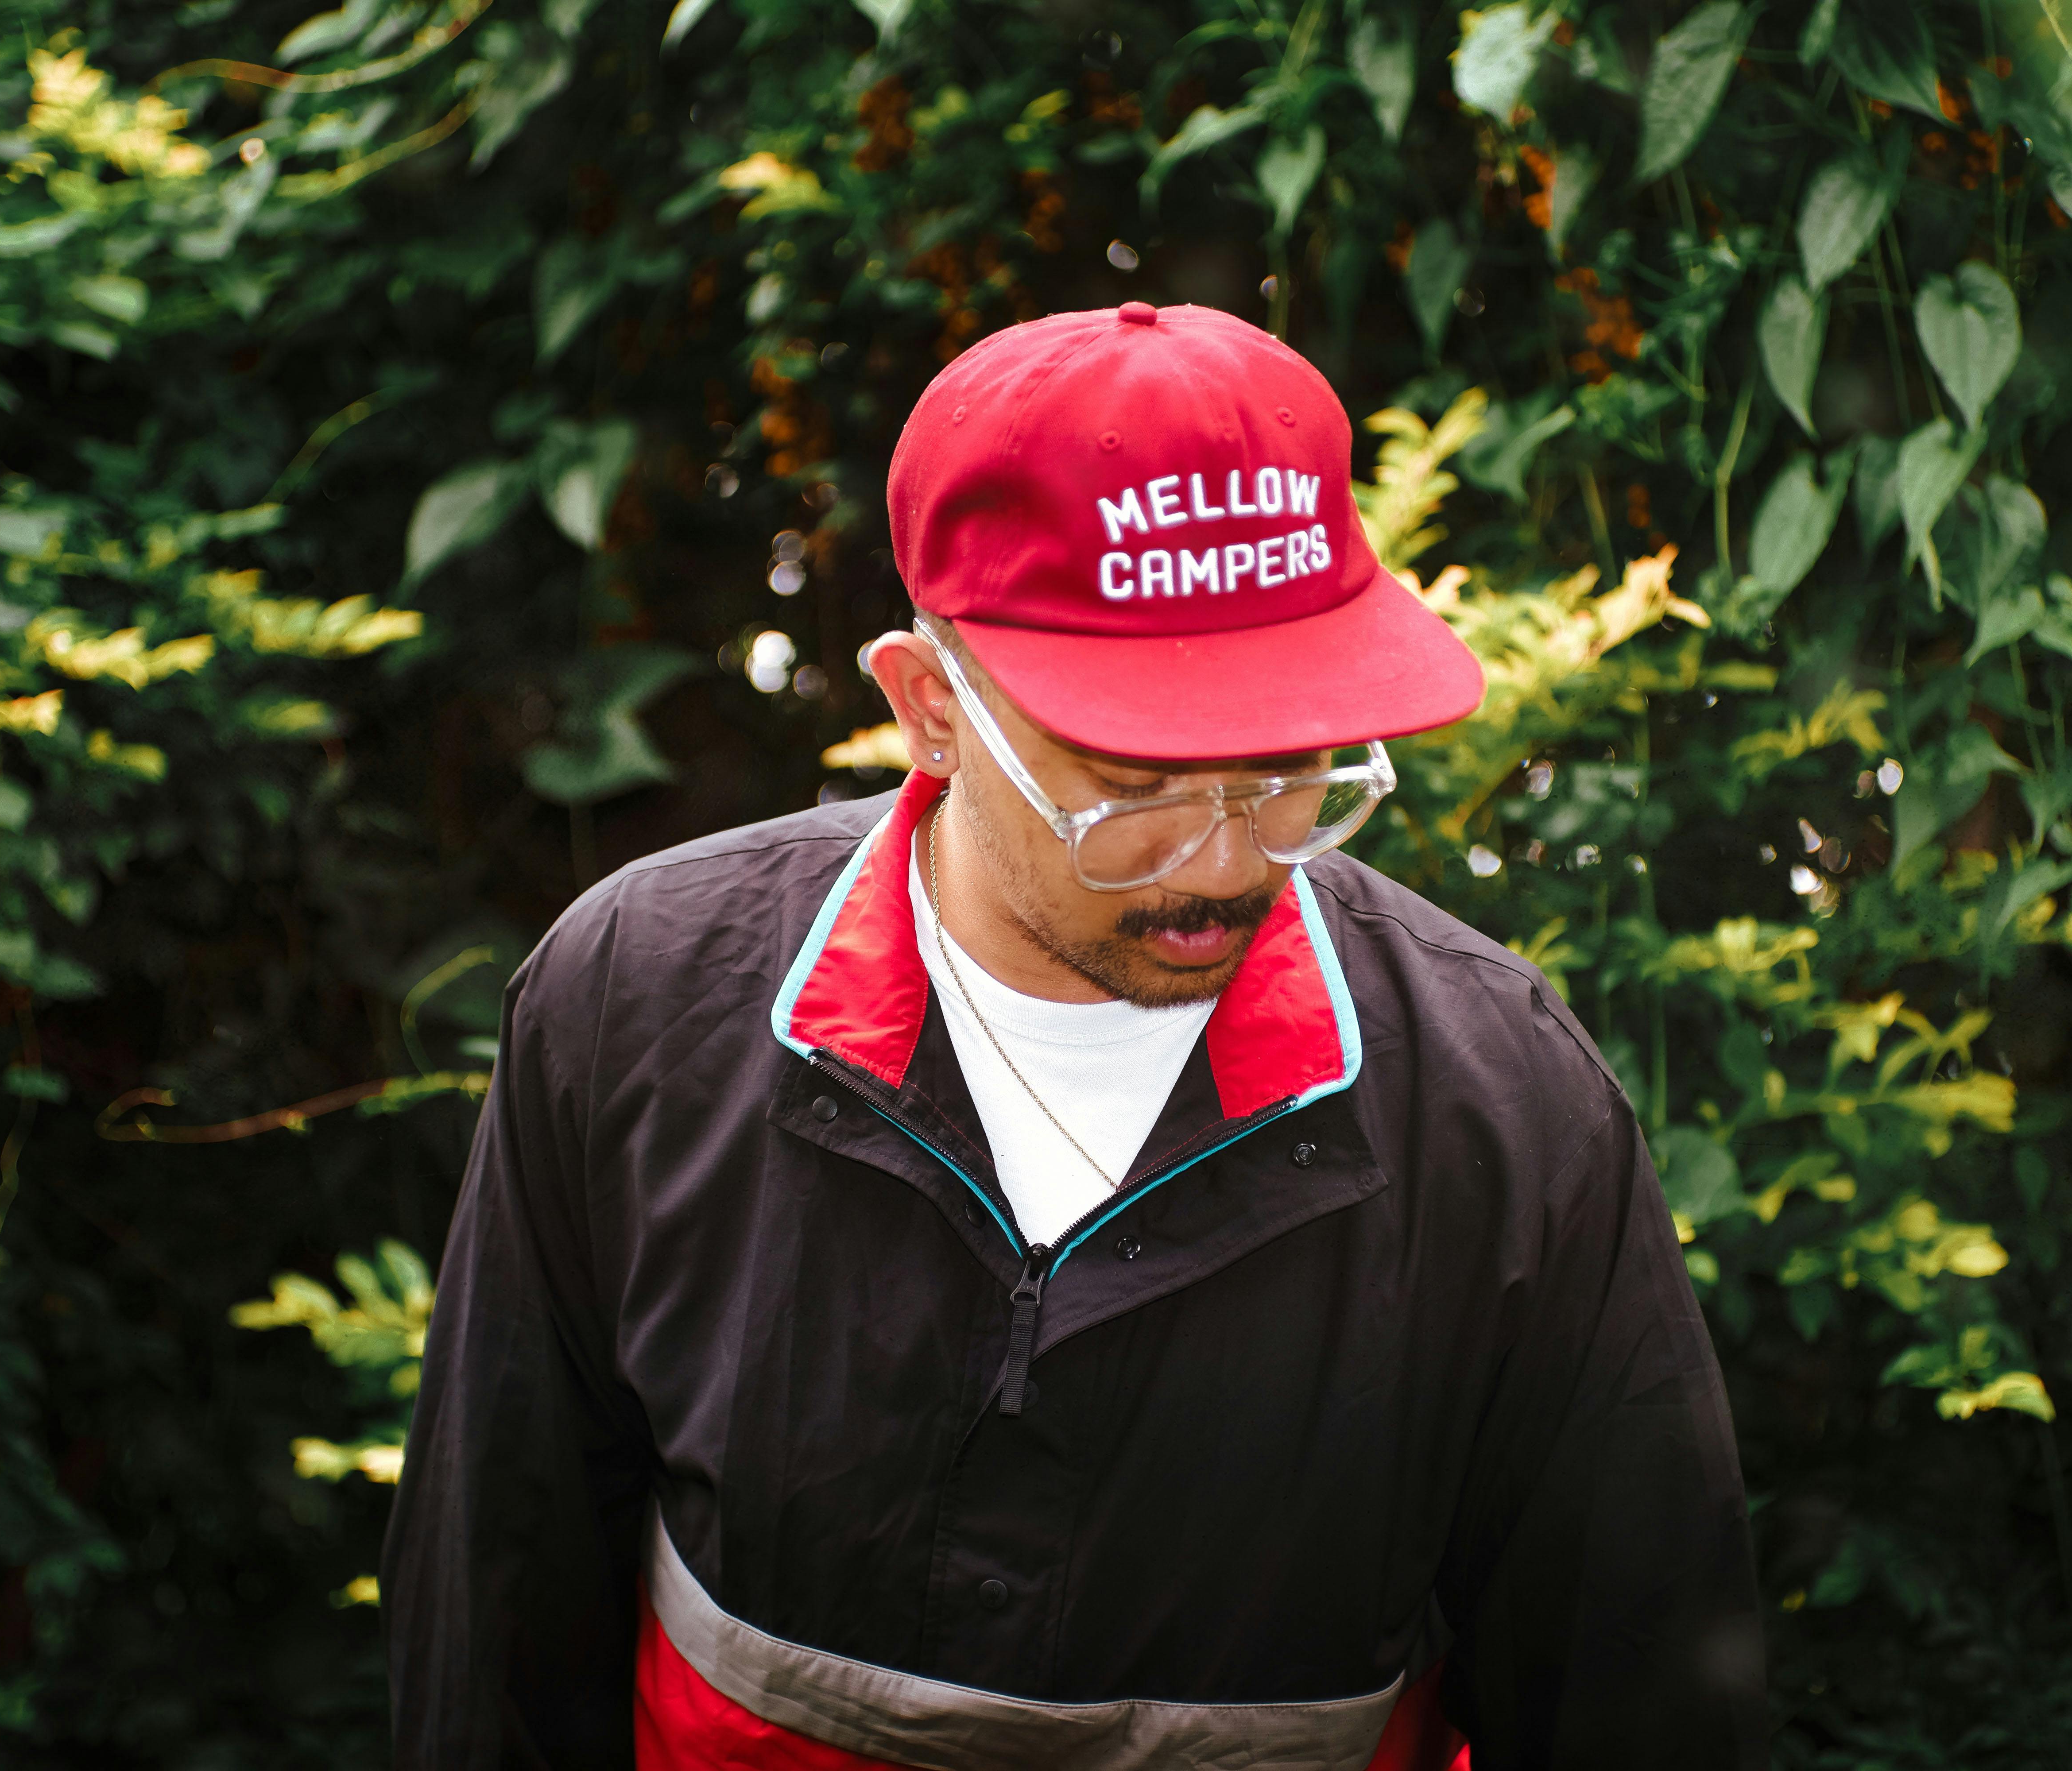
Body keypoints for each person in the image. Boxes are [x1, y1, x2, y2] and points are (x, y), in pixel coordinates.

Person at [383, 302, 1765, 1770]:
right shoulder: (641, 1001)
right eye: (1137, 781)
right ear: (930, 708)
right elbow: (496, 1612)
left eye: (1288, 770)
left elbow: (1639, 1700)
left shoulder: (1508, 1111)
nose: (1224, 860)